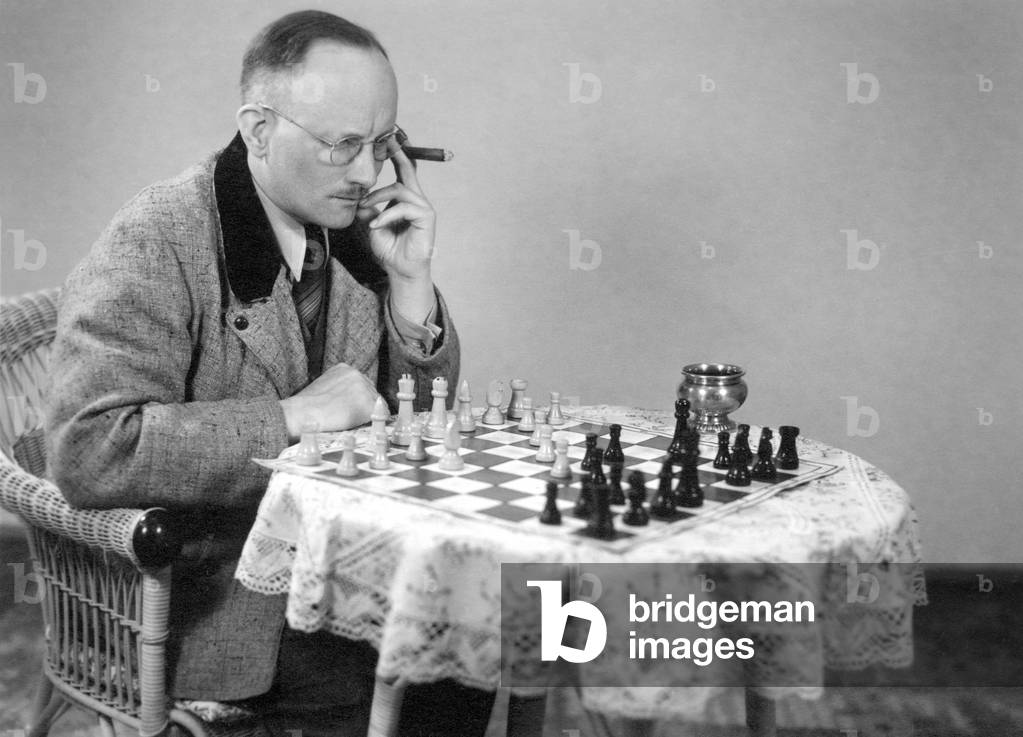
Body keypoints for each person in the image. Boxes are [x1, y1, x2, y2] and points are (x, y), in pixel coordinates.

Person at [45, 10, 493, 737]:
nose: (365, 173)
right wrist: (289, 417)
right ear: (257, 130)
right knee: (407, 676)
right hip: (209, 596)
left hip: (338, 562)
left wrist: (411, 283)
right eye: (341, 144)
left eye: (382, 144)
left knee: (476, 641)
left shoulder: (348, 233)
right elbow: (90, 447)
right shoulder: (156, 237)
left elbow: (407, 427)